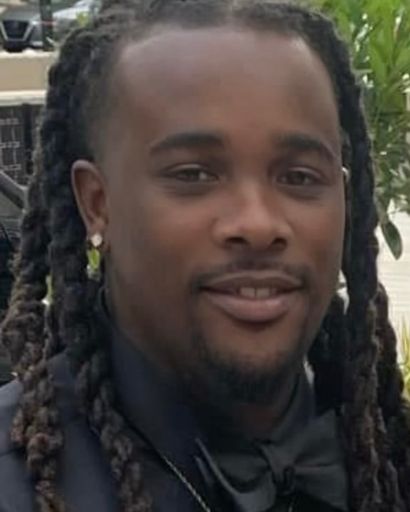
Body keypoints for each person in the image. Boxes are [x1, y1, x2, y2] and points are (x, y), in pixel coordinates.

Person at [0, 0, 409, 511]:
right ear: (97, 205)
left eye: (299, 176)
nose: (258, 225)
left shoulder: (386, 461)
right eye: (193, 174)